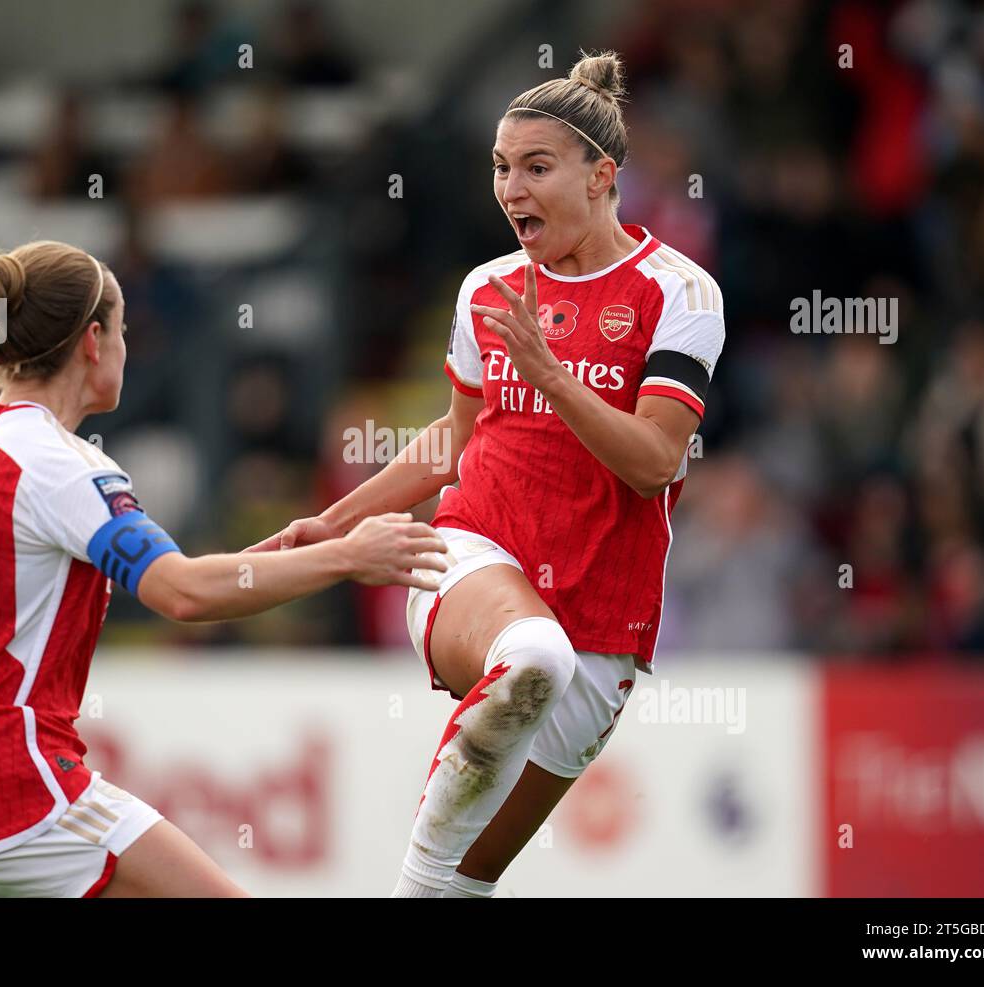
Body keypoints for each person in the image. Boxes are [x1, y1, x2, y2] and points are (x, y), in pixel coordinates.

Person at [250, 52, 725, 897]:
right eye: (502, 168)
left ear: (602, 175)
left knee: (454, 886)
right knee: (531, 654)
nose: (512, 190)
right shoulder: (489, 290)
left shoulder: (678, 293)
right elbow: (454, 439)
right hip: (472, 559)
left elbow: (654, 463)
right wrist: (338, 519)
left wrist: (551, 376)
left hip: (606, 622)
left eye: (536, 167)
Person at [0, 239, 448, 897]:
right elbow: (181, 593)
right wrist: (349, 555)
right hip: (13, 784)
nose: (130, 347)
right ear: (93, 341)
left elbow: (163, 575)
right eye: (126, 329)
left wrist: (295, 551)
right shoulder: (58, 463)